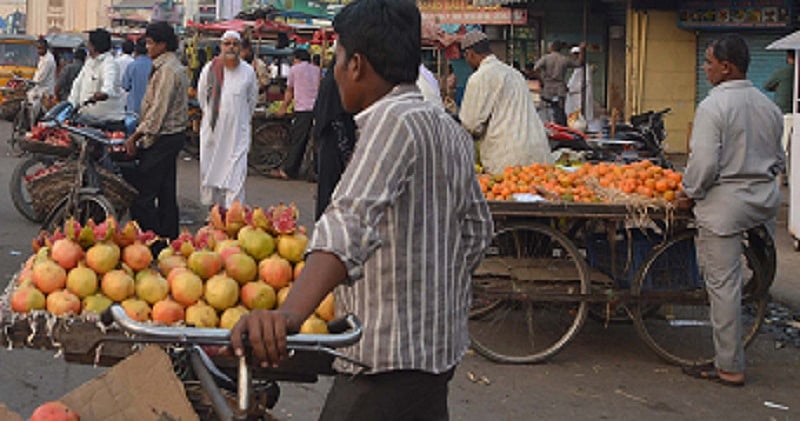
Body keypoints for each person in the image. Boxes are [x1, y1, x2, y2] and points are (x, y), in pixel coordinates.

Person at [231, 0, 493, 418]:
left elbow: (346, 224)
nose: (334, 72)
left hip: (385, 366)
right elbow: (477, 231)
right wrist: (431, 291)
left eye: (336, 59)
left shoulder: (392, 122)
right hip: (436, 360)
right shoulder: (447, 127)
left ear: (356, 65)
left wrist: (288, 316)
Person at [678, 34, 784, 387]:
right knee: (752, 277)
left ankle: (729, 366)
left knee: (723, 286)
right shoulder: (768, 106)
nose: (705, 69)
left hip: (726, 206)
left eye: (708, 63)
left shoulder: (713, 107)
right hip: (764, 202)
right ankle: (756, 299)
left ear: (727, 68)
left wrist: (688, 194)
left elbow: (704, 164)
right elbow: (779, 160)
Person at [123, 21, 189, 241]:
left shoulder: (168, 71)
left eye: (151, 43)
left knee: (143, 194)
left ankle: (150, 239)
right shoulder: (165, 66)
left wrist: (135, 136)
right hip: (169, 136)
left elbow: (158, 112)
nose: (147, 47)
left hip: (164, 137)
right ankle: (169, 238)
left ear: (163, 44)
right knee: (165, 191)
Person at [459, 30, 552, 174]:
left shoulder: (480, 77)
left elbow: (470, 124)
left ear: (470, 53)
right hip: (538, 153)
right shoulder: (514, 73)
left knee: (507, 192)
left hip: (509, 159)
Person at [196, 30, 258, 208]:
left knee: (237, 173)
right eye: (227, 43)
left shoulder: (248, 72)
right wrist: (214, 117)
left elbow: (251, 101)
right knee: (210, 169)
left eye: (235, 44)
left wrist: (239, 118)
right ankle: (212, 210)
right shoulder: (210, 68)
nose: (231, 47)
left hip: (237, 133)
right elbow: (202, 97)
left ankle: (233, 214)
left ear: (240, 48)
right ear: (221, 46)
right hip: (213, 131)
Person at [312, 56, 356, 220]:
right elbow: (338, 117)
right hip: (335, 140)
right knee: (333, 188)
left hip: (328, 140)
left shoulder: (329, 82)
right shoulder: (336, 85)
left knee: (328, 188)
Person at [270, 48, 321, 180]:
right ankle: (318, 170)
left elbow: (289, 91)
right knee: (318, 140)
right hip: (317, 108)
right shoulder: (317, 69)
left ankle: (289, 170)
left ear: (296, 58)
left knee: (298, 141)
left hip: (303, 109)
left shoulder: (295, 69)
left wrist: (283, 107)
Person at [68, 28, 125, 121]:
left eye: (89, 43)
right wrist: (70, 105)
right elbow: (77, 83)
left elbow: (109, 83)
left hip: (107, 121)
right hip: (85, 117)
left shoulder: (109, 63)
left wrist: (104, 93)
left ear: (94, 46)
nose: (87, 45)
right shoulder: (89, 62)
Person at [534, 40, 584, 125]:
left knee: (546, 109)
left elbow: (536, 68)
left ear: (551, 48)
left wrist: (541, 79)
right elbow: (578, 63)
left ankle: (548, 125)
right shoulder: (564, 59)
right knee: (560, 110)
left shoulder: (546, 58)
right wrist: (582, 51)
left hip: (548, 87)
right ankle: (562, 126)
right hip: (560, 88)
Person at [764, 50, 794, 167]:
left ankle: (783, 173)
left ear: (788, 57)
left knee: (784, 146)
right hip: (795, 112)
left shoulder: (782, 72)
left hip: (784, 114)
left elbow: (767, 85)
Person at [122, 38, 152, 116]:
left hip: (133, 108)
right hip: (150, 108)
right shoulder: (155, 66)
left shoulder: (132, 65)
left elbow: (125, 86)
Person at [28, 37, 56, 121]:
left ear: (45, 48)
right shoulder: (43, 58)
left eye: (40, 48)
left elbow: (40, 78)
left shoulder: (48, 60)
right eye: (37, 48)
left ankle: (32, 125)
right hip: (40, 88)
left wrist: (31, 82)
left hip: (45, 90)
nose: (38, 51)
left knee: (34, 108)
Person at [564, 45, 594, 124]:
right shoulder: (576, 67)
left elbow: (585, 82)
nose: (574, 57)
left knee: (580, 115)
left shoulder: (585, 67)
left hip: (579, 95)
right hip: (574, 95)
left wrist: (571, 89)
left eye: (576, 54)